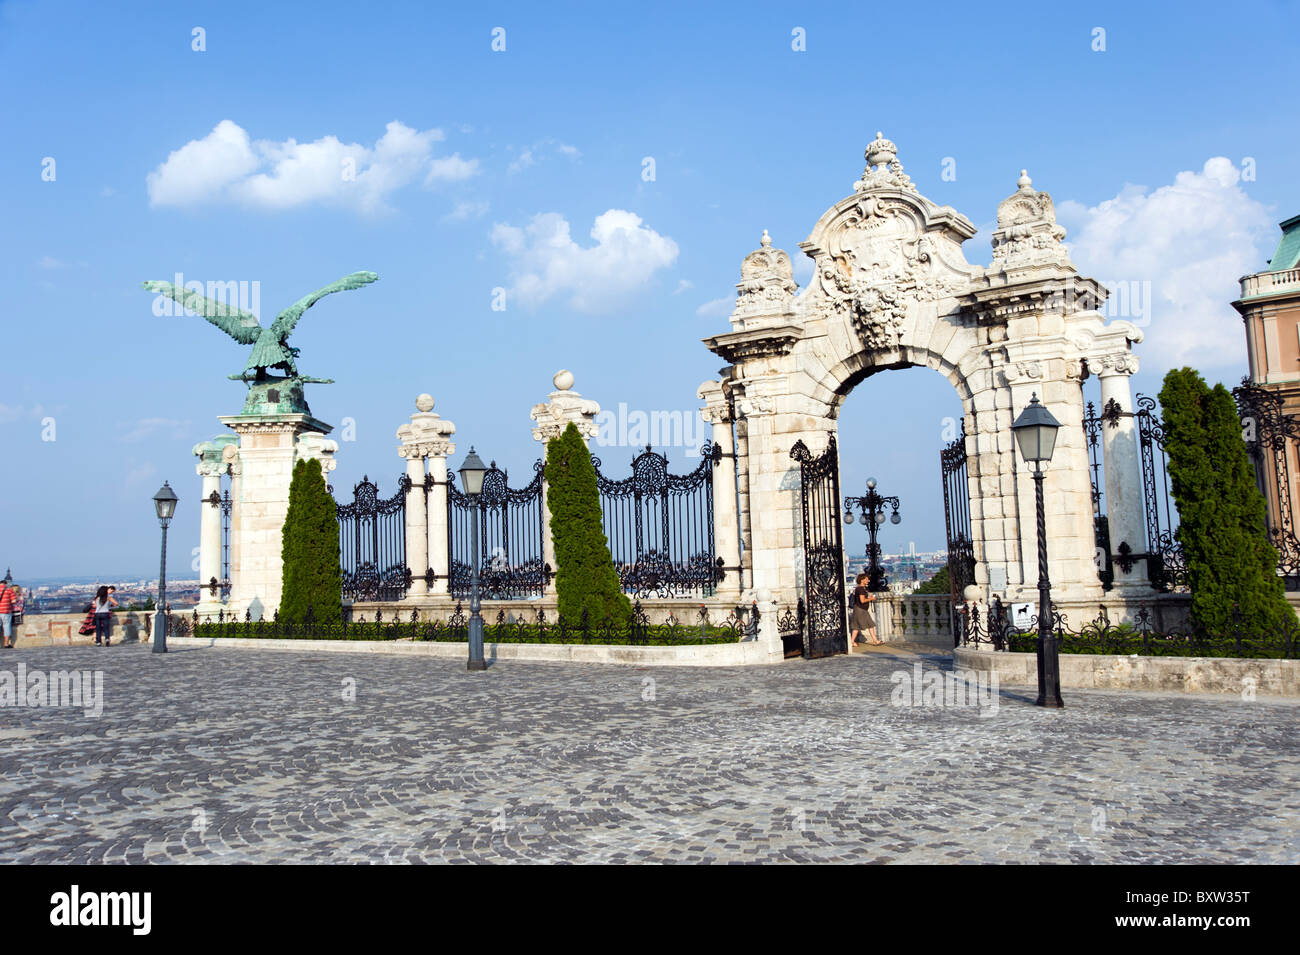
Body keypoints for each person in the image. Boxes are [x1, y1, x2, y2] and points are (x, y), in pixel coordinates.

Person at [849, 571, 883, 648]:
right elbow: (862, 600)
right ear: (862, 580)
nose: (868, 580)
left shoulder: (858, 588)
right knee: (870, 624)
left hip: (858, 609)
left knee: (856, 627)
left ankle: (852, 641)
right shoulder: (861, 589)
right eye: (866, 579)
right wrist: (871, 598)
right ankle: (875, 641)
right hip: (861, 610)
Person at [0, 578, 15, 649]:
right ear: (6, 584)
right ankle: (6, 644)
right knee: (6, 627)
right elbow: (13, 601)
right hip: (6, 611)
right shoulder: (9, 590)